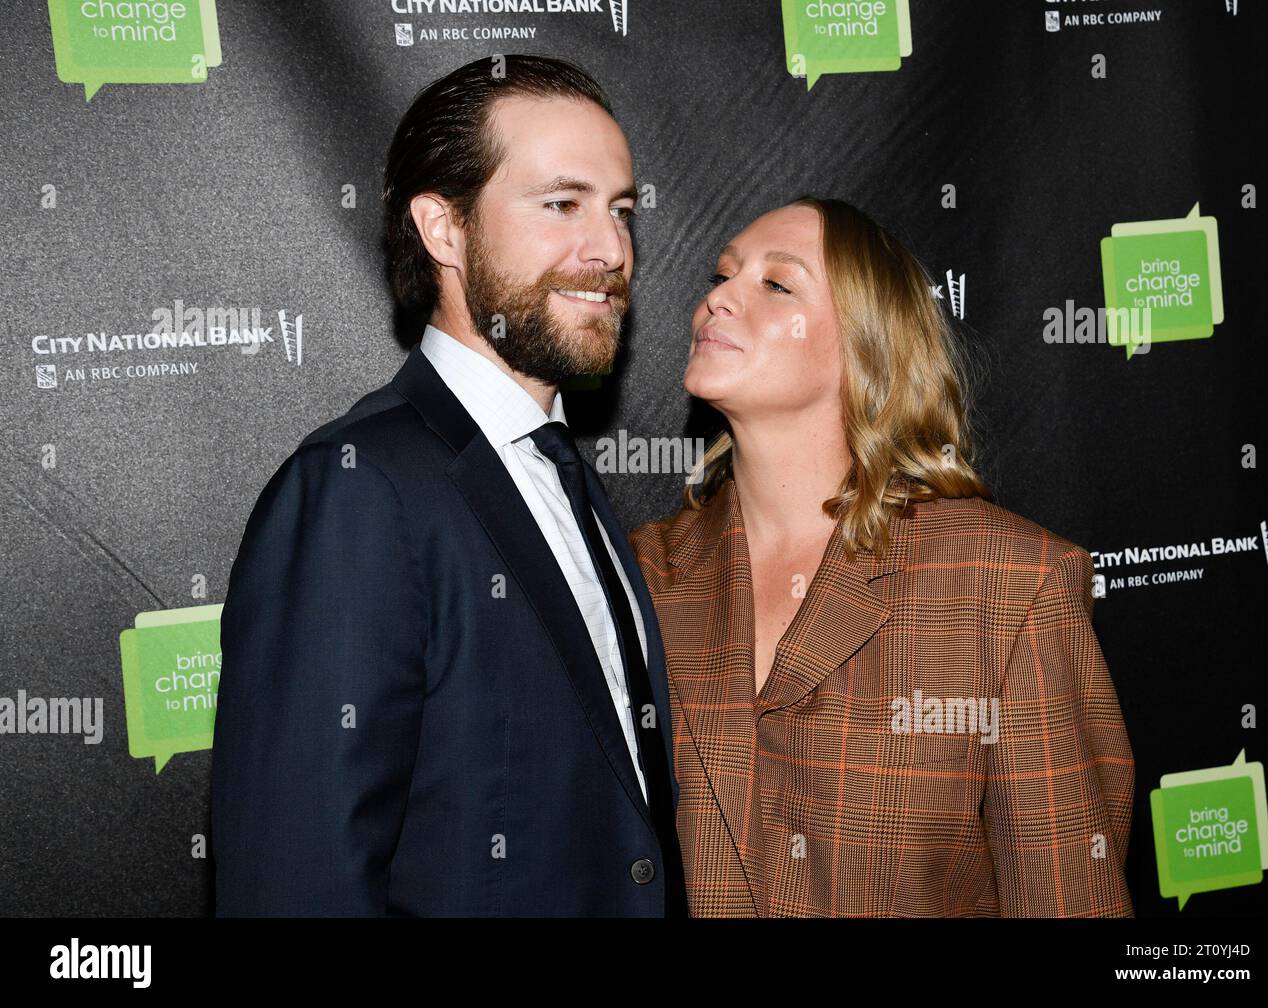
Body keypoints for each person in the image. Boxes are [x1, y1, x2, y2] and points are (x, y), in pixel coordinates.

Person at [211, 54, 684, 916]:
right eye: (562, 204)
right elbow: (297, 879)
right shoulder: (357, 491)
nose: (611, 248)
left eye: (620, 212)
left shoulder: (563, 476)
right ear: (444, 230)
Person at [630, 196, 1135, 917]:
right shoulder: (638, 574)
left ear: (867, 346)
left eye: (777, 284)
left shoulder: (1009, 584)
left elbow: (1066, 898)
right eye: (723, 275)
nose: (717, 299)